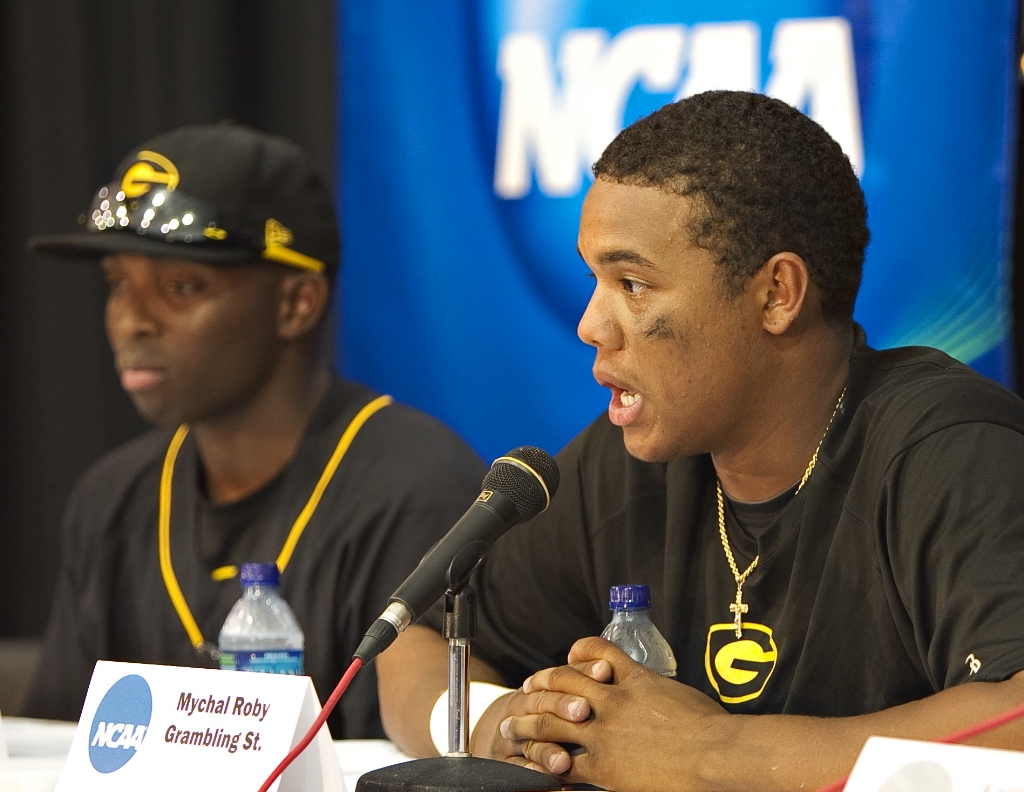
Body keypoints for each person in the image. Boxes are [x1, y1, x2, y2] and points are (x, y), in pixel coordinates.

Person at [376, 91, 1024, 789]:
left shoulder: (949, 448)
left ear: (778, 293)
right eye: (594, 279)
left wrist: (708, 755)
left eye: (632, 283)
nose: (592, 325)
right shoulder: (629, 462)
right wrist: (512, 725)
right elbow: (412, 644)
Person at [23, 123, 486, 738]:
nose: (130, 319)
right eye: (117, 284)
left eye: (181, 286)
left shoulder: (418, 487)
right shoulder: (111, 496)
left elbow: (422, 760)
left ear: (296, 302)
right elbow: (48, 747)